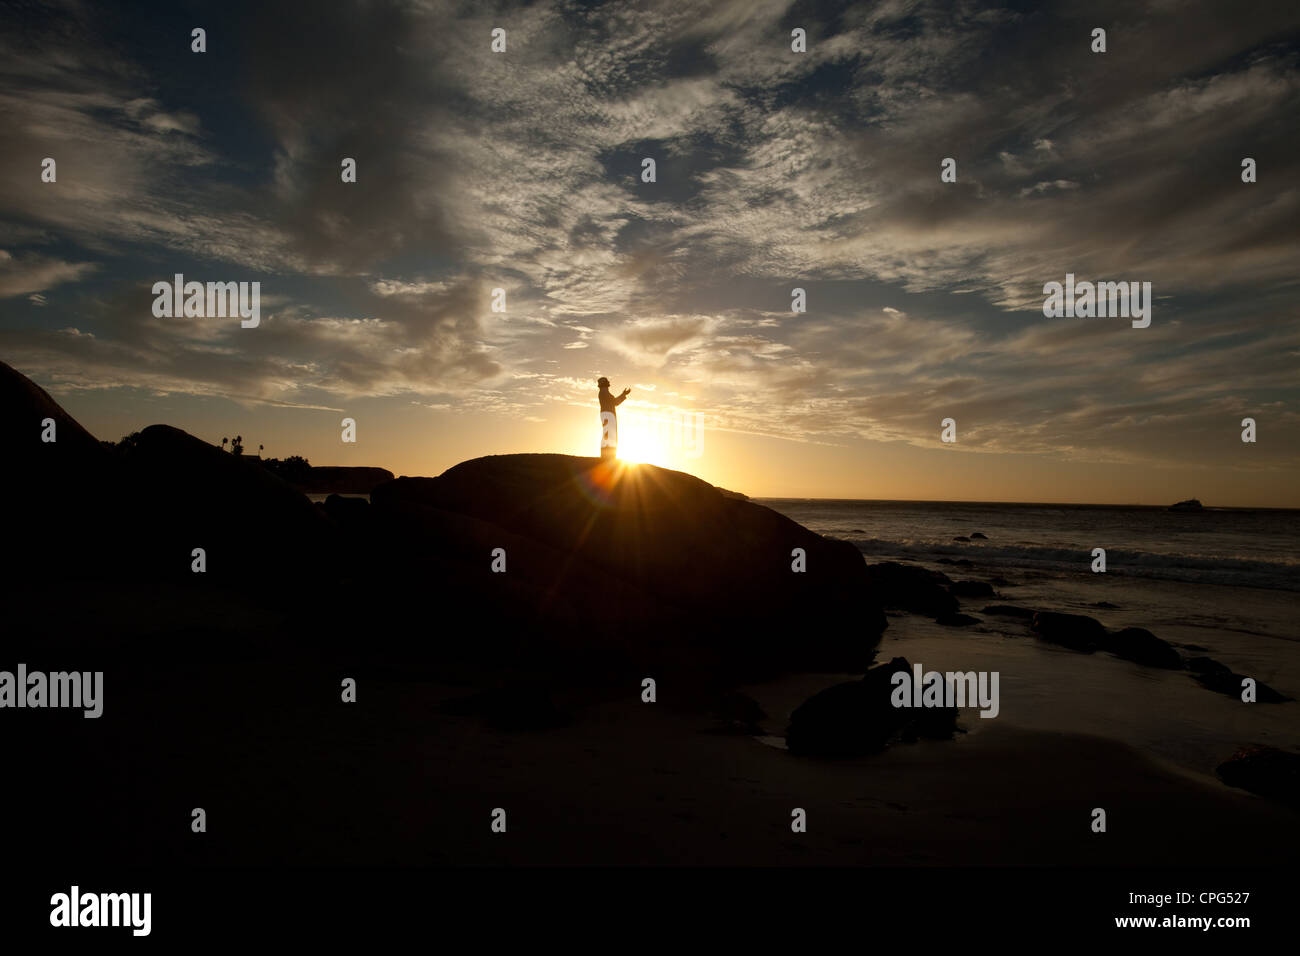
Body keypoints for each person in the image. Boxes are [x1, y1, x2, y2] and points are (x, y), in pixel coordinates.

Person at [596, 377, 630, 458]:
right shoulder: (604, 392)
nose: (608, 383)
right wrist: (623, 394)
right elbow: (615, 402)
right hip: (608, 415)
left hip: (607, 415)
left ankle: (607, 455)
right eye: (607, 382)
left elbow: (614, 402)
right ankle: (607, 456)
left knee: (608, 434)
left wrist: (623, 394)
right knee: (609, 435)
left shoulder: (604, 392)